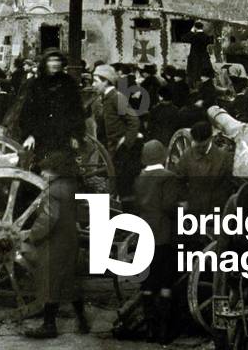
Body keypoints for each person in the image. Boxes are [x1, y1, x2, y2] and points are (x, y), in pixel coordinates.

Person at [24, 151, 90, 338]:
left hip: (55, 242)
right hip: (70, 239)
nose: (42, 174)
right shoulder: (71, 186)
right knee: (69, 282)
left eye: (45, 170)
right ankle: (83, 322)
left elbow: (48, 217)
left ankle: (49, 325)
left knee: (50, 282)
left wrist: (33, 235)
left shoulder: (53, 191)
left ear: (55, 171)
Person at [133, 140, 180, 343]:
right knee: (165, 283)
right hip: (163, 235)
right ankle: (164, 332)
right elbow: (170, 206)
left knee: (147, 284)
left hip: (144, 234)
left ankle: (151, 330)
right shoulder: (168, 178)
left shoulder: (139, 179)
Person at [17, 49, 85, 168]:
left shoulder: (69, 83)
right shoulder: (36, 84)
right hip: (41, 137)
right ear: (45, 63)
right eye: (51, 60)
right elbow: (27, 112)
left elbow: (77, 111)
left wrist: (75, 135)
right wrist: (30, 134)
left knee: (62, 170)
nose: (55, 63)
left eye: (57, 60)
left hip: (63, 136)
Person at [92, 63, 142, 201]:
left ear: (106, 81)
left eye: (95, 81)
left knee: (121, 185)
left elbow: (134, 121)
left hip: (120, 151)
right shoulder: (103, 98)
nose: (93, 84)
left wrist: (125, 142)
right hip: (110, 149)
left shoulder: (117, 97)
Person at [174, 120, 236, 217]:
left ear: (210, 139)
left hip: (216, 211)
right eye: (197, 146)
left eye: (203, 146)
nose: (199, 149)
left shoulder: (224, 158)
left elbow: (229, 184)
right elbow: (178, 180)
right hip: (193, 209)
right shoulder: (187, 156)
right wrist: (183, 199)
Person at [184, 21, 214, 87]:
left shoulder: (193, 36)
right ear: (202, 27)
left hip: (194, 58)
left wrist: (191, 31)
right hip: (204, 59)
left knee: (194, 76)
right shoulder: (206, 36)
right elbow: (210, 42)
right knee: (205, 77)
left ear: (195, 27)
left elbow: (184, 38)